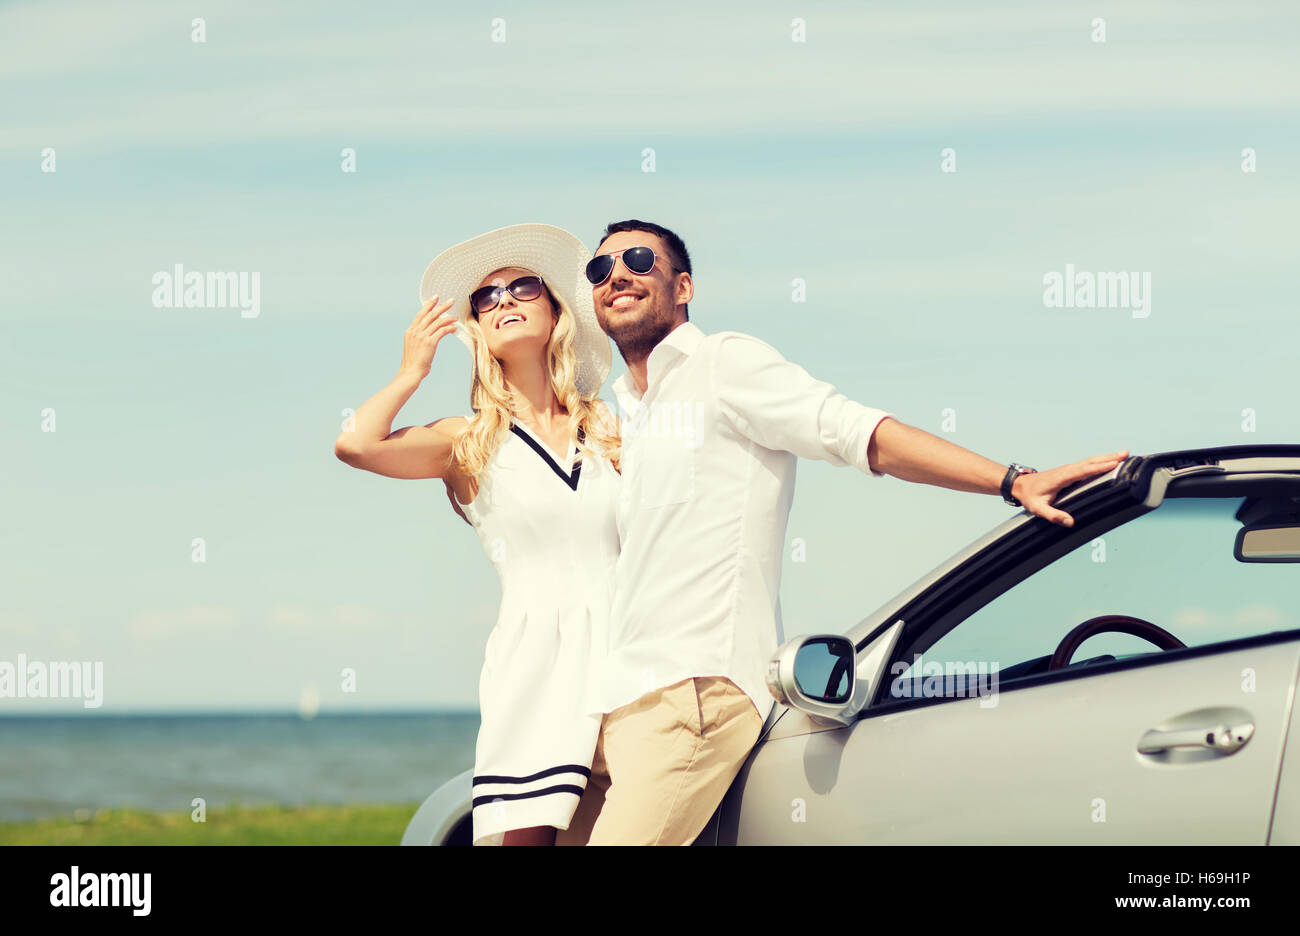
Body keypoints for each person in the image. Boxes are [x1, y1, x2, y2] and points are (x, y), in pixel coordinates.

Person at [557, 219, 1130, 846]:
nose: (616, 275)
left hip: (690, 692)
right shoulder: (624, 416)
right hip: (613, 706)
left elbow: (856, 433)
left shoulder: (724, 362)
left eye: (638, 260)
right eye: (599, 269)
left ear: (684, 285)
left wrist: (1011, 480)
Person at [333, 223, 621, 846]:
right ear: (476, 328)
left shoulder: (608, 432)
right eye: (486, 298)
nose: (504, 300)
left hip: (626, 662)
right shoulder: (468, 440)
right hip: (537, 670)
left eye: (522, 286)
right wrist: (412, 370)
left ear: (555, 310)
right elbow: (355, 444)